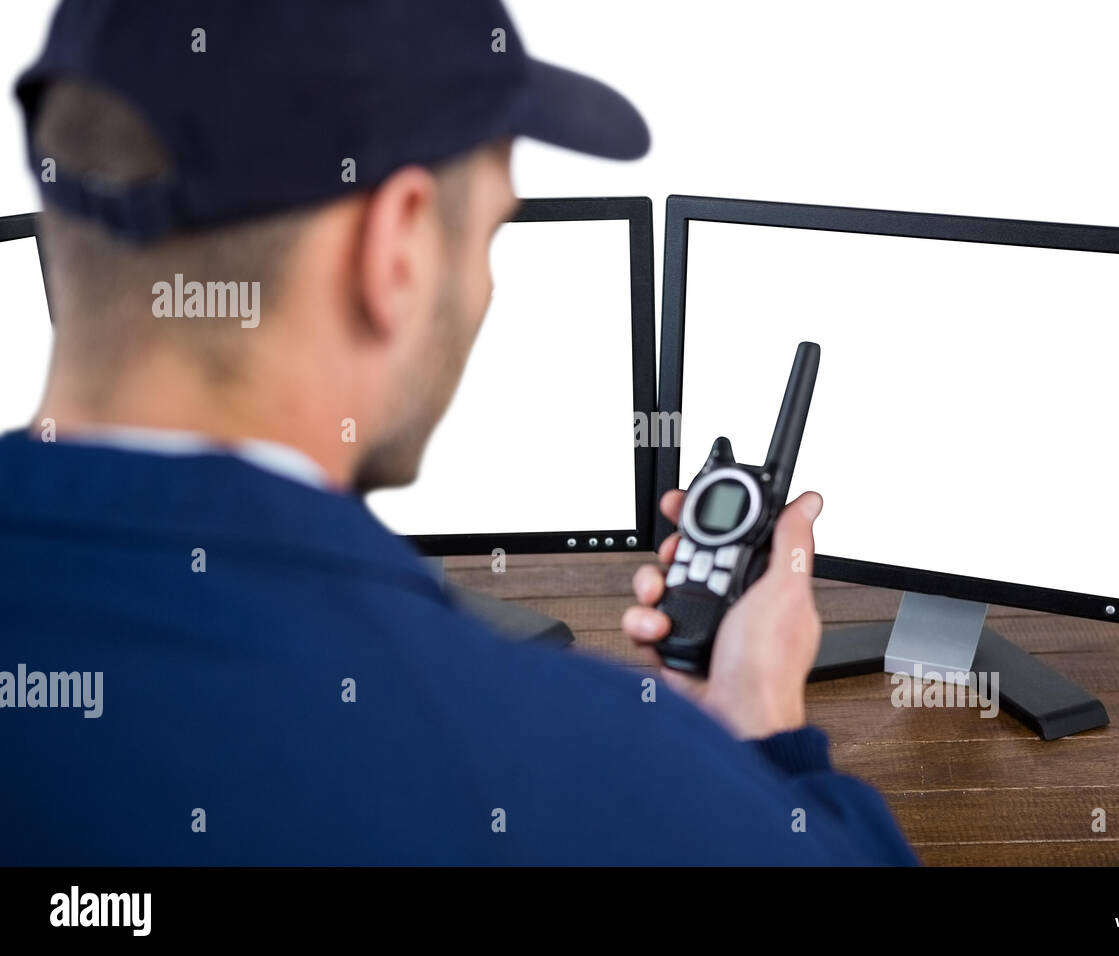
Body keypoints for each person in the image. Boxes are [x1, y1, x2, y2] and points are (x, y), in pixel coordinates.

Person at [0, 0, 916, 865]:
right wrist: (756, 732)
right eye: (489, 235)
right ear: (393, 250)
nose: (484, 286)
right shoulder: (592, 777)